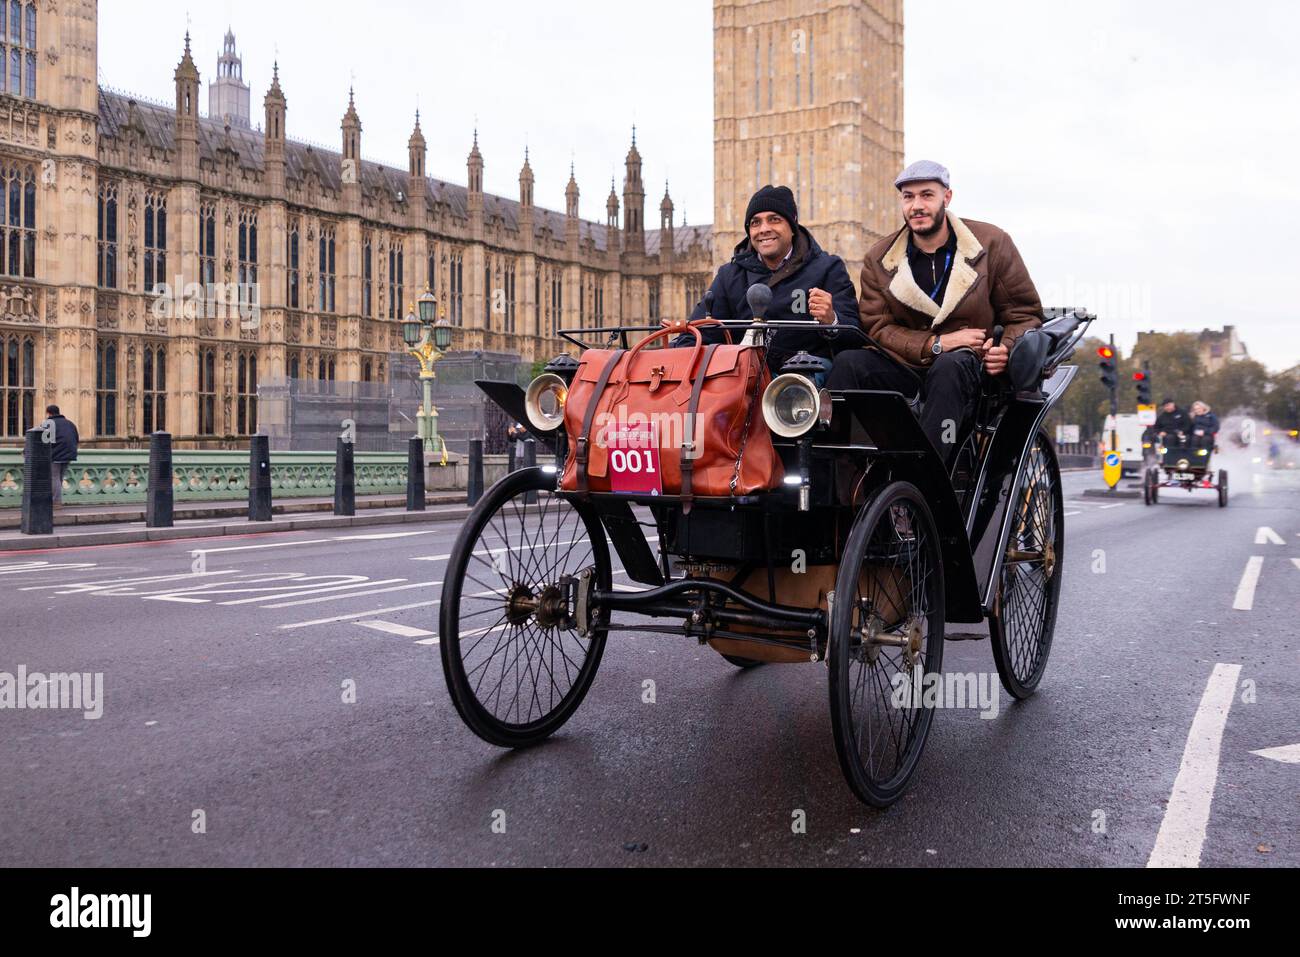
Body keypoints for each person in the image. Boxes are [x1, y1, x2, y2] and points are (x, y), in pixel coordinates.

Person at [826, 160, 1043, 465]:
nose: (917, 205)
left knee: (949, 368)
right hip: (908, 367)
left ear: (947, 197)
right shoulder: (879, 258)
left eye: (926, 195)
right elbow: (876, 327)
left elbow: (1024, 314)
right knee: (849, 364)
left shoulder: (992, 243)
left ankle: (926, 481)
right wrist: (935, 344)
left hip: (972, 372)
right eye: (908, 197)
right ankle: (841, 479)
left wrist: (1007, 348)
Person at [680, 185, 859, 374]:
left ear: (792, 226)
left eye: (774, 220)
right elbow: (696, 334)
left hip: (804, 378)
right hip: (744, 377)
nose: (764, 229)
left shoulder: (827, 268)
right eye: (755, 223)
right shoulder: (730, 275)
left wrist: (832, 320)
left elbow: (855, 337)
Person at [44, 404, 79, 507]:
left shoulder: (48, 423)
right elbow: (76, 439)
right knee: (59, 478)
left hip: (56, 453)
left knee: (54, 477)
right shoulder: (70, 423)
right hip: (69, 453)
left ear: (49, 413)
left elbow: (40, 440)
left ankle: (56, 502)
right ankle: (56, 499)